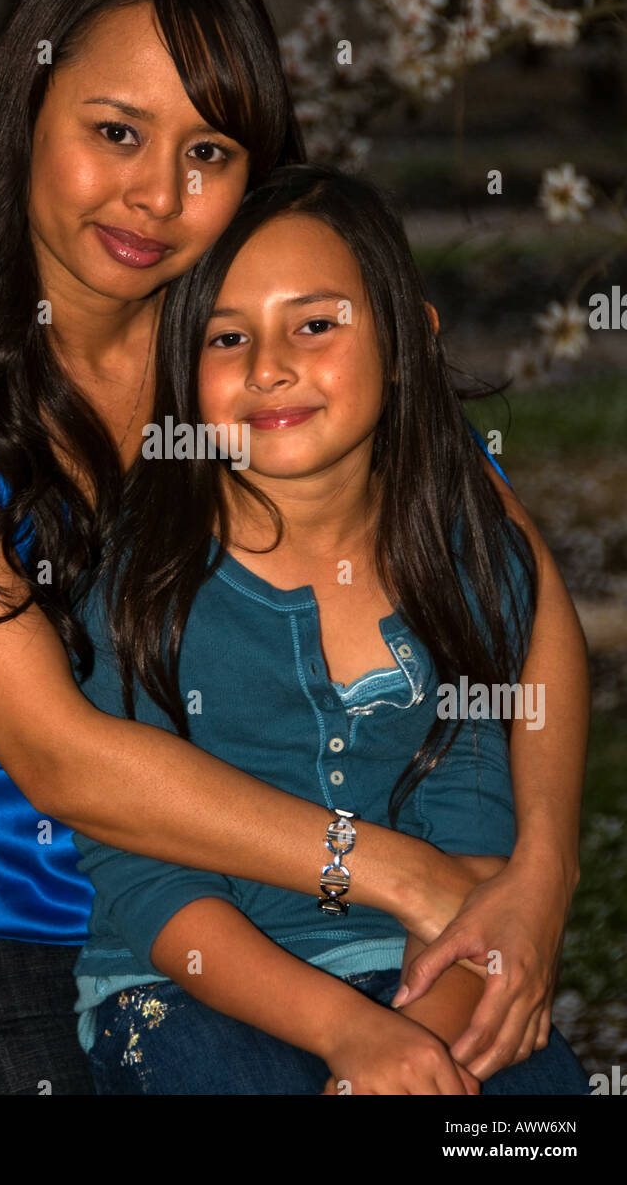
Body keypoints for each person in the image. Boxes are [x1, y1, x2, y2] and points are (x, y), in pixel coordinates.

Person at [0, 0, 588, 1096]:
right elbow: (62, 759)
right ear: (27, 110)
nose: (154, 195)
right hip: (1, 923)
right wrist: (400, 870)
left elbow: (517, 589)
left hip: (262, 916)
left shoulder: (243, 364)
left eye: (209, 152)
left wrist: (538, 869)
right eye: (116, 132)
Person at [72, 163, 590, 1095]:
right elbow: (148, 882)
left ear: (403, 343)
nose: (270, 367)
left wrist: (411, 1050)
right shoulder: (138, 586)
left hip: (434, 979)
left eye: (315, 324)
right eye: (228, 337)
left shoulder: (468, 566)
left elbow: (476, 856)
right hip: (189, 987)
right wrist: (345, 1036)